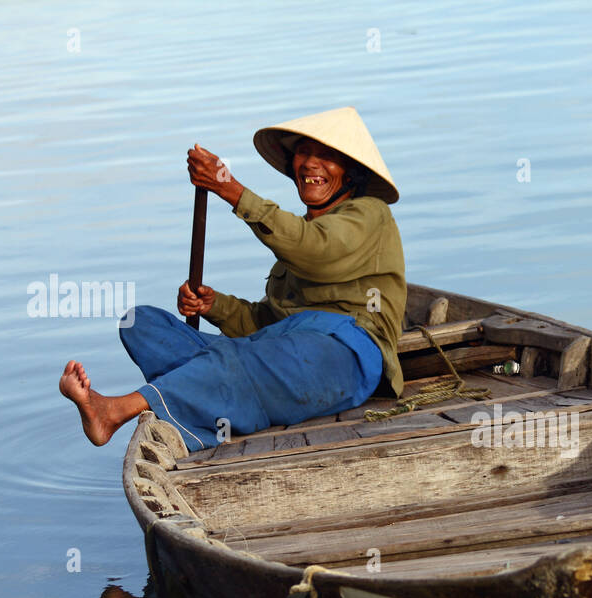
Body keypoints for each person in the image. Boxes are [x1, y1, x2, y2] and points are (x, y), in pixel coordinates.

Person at [59, 106, 406, 450]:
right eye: (304, 153)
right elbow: (265, 325)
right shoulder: (301, 230)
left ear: (351, 173)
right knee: (141, 324)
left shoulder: (370, 214)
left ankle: (116, 410)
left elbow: (314, 251)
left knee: (238, 360)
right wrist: (215, 305)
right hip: (276, 351)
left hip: (346, 356)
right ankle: (213, 395)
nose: (311, 164)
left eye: (327, 156)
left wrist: (229, 187)